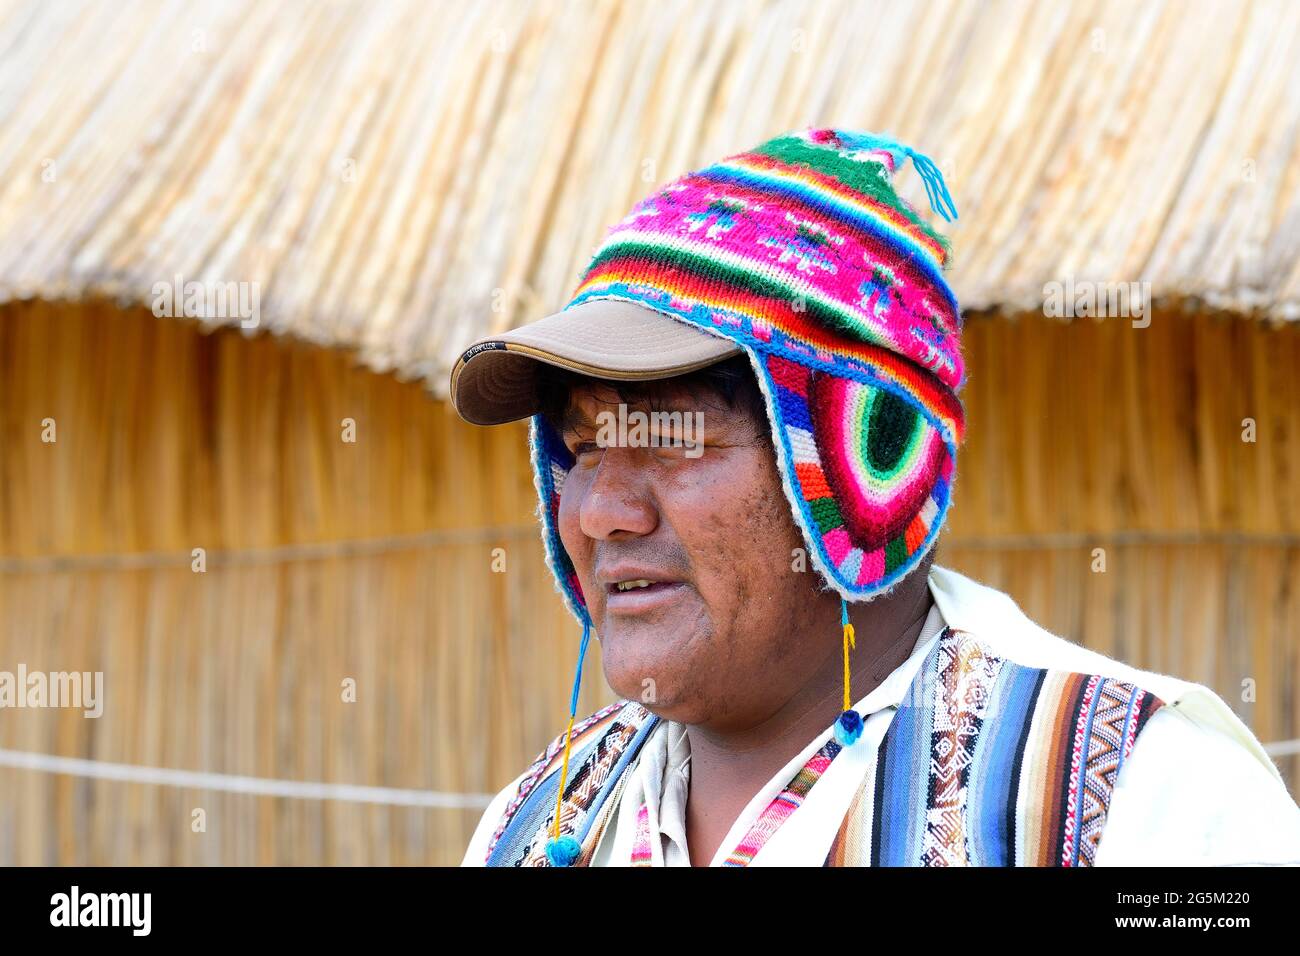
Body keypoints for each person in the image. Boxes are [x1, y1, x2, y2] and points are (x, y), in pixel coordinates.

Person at [449, 128, 1300, 866]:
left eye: (671, 438)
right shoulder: (532, 826)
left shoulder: (1139, 804)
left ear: (866, 468)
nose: (599, 512)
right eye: (583, 445)